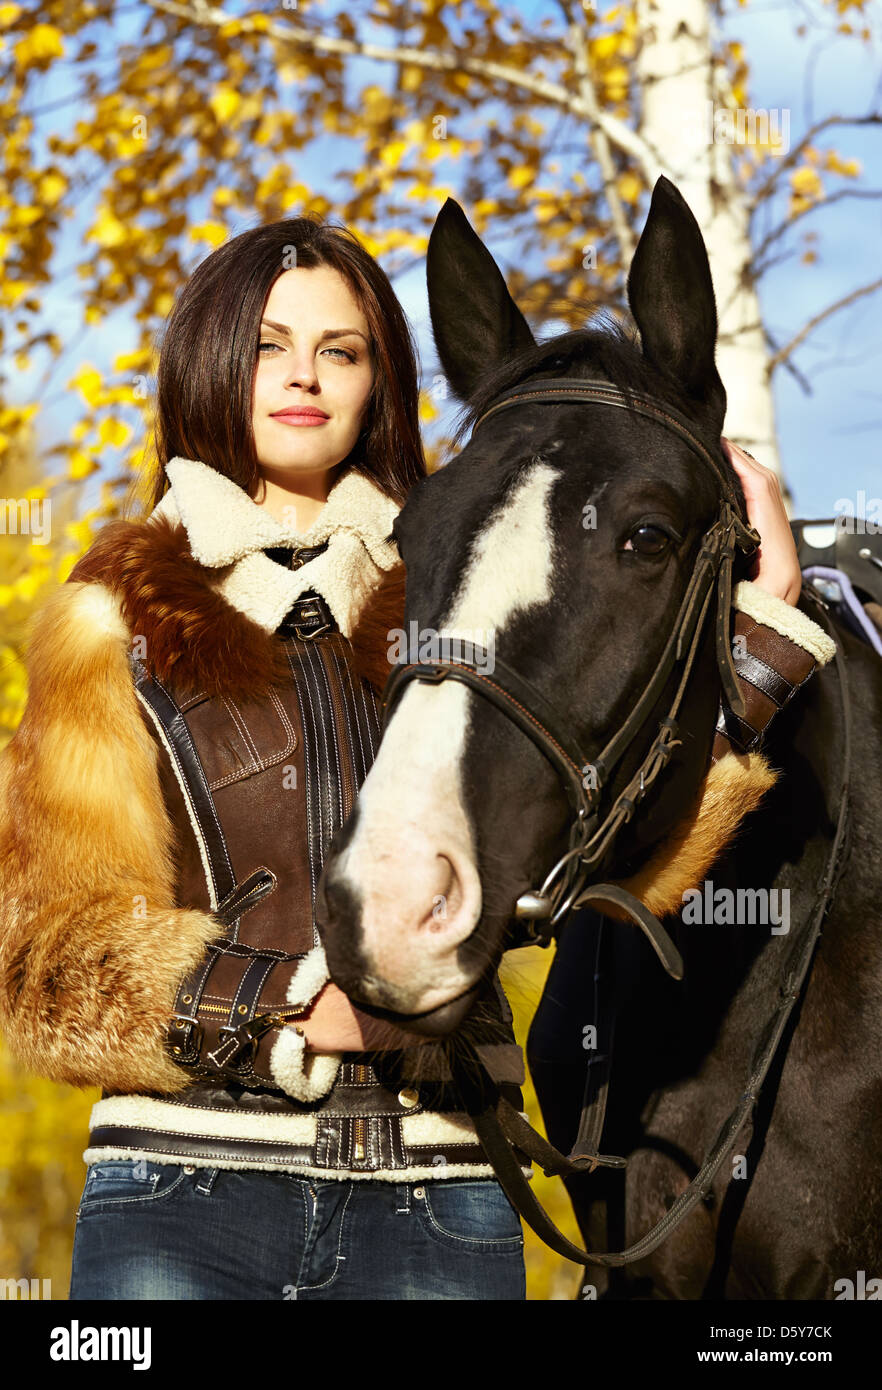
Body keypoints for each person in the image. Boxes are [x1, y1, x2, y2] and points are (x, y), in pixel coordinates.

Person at [0, 212, 818, 1302]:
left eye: (341, 350)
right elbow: (42, 963)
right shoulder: (114, 620)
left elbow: (614, 876)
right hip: (183, 1198)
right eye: (267, 345)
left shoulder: (461, 591)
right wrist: (285, 1006)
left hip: (443, 1191)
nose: (305, 377)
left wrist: (760, 645)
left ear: (380, 378)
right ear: (206, 358)